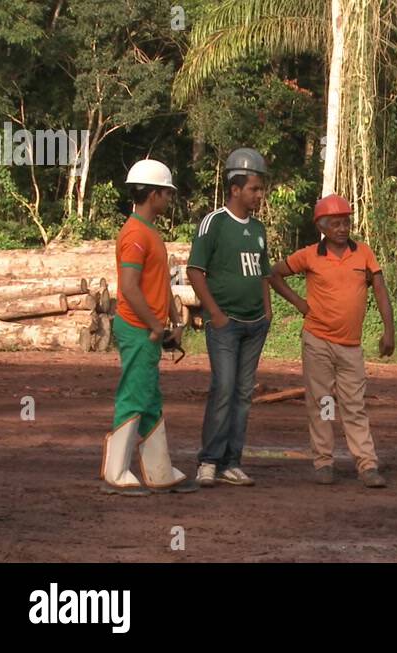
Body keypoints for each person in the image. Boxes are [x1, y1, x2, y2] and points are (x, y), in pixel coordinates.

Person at [269, 194, 395, 488]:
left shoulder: (364, 254)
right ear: (322, 227)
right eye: (335, 223)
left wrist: (389, 330)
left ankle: (367, 465)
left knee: (354, 405)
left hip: (351, 346)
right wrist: (300, 304)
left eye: (346, 222)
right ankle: (324, 461)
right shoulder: (310, 255)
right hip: (318, 342)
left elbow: (380, 289)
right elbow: (274, 274)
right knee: (323, 402)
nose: (342, 228)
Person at [100, 159, 198, 496]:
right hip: (138, 327)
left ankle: (158, 471)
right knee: (134, 395)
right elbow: (129, 287)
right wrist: (156, 325)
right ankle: (116, 473)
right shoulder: (135, 235)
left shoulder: (149, 232)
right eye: (166, 193)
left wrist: (172, 316)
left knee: (150, 398)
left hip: (149, 327)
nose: (169, 199)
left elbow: (158, 283)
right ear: (153, 194)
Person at [187, 148, 272, 487]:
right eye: (254, 188)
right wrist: (216, 314)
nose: (259, 195)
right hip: (226, 325)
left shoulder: (259, 228)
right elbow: (195, 271)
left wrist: (266, 311)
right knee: (223, 388)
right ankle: (208, 461)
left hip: (255, 325)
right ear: (235, 188)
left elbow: (264, 273)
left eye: (260, 188)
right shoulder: (214, 223)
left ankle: (231, 462)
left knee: (242, 393)